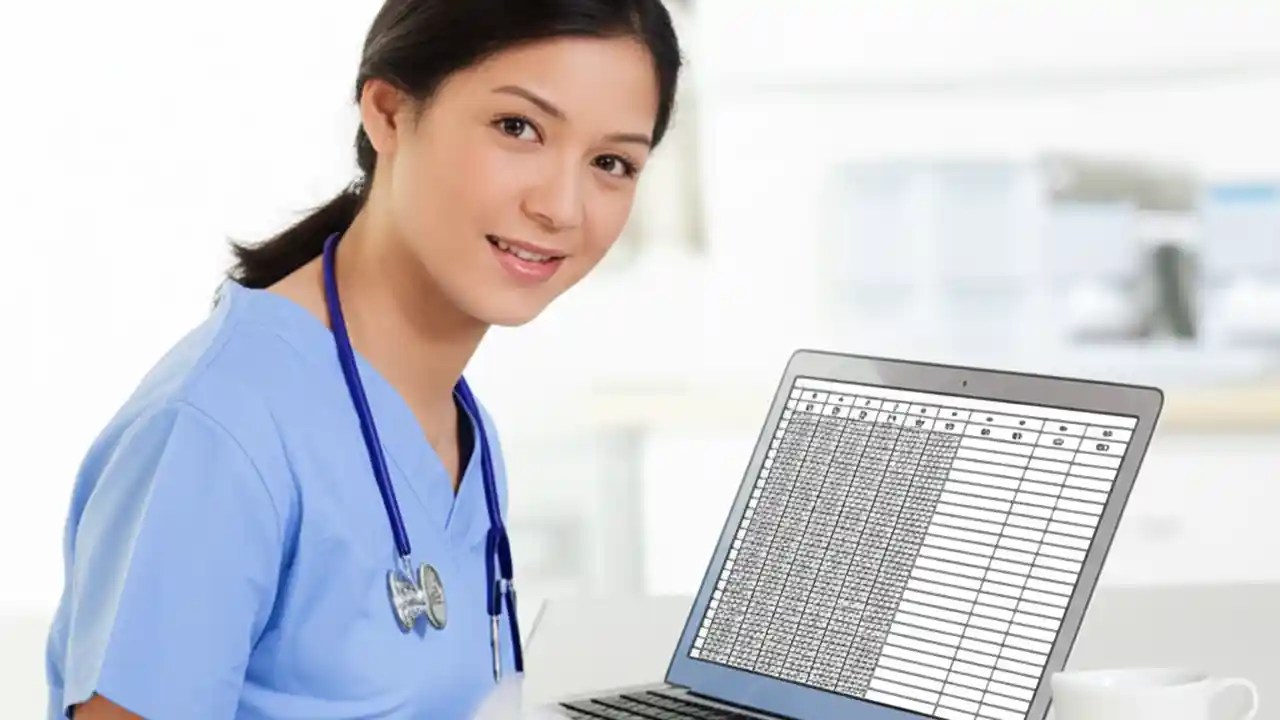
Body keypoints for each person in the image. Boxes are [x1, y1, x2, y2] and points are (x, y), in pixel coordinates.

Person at [43, 0, 683, 717]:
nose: (562, 207)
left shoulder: (457, 427)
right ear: (388, 111)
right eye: (518, 128)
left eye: (611, 163)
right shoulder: (221, 432)